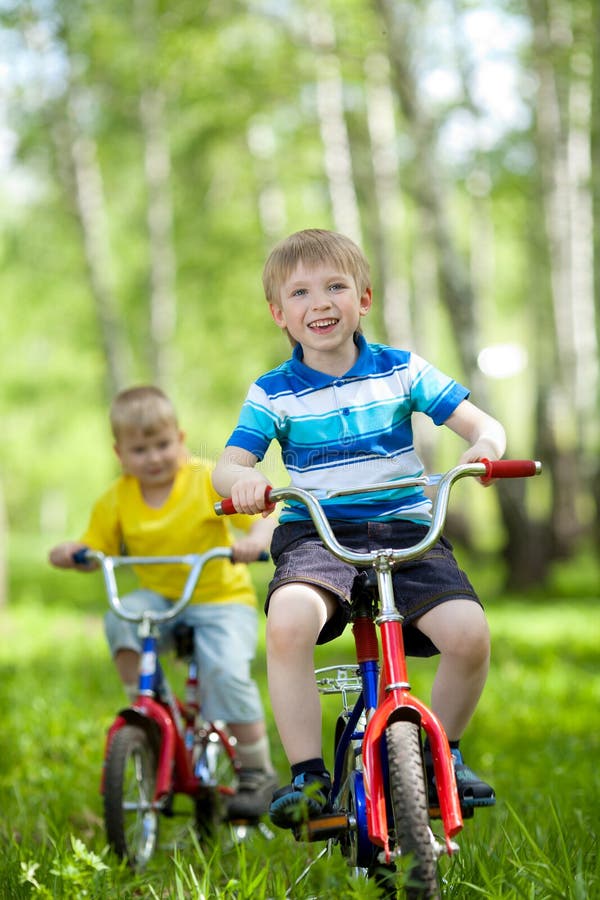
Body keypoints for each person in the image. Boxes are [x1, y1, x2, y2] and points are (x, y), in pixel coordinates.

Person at [211, 228, 507, 829]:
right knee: (289, 620)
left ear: (363, 299)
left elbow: (486, 426)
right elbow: (228, 464)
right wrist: (240, 482)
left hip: (405, 531)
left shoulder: (402, 371)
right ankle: (307, 775)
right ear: (280, 315)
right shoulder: (273, 392)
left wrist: (482, 449)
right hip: (317, 535)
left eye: (335, 286)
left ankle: (439, 751)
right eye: (300, 293)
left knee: (470, 633)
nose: (319, 302)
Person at [49, 385, 278, 819]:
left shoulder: (202, 479)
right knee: (122, 615)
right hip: (161, 598)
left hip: (218, 596)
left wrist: (254, 540)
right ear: (120, 454)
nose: (153, 457)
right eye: (140, 450)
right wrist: (73, 553)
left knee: (226, 673)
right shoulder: (117, 498)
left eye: (162, 444)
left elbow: (263, 516)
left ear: (180, 438)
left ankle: (257, 770)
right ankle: (146, 707)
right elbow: (94, 547)